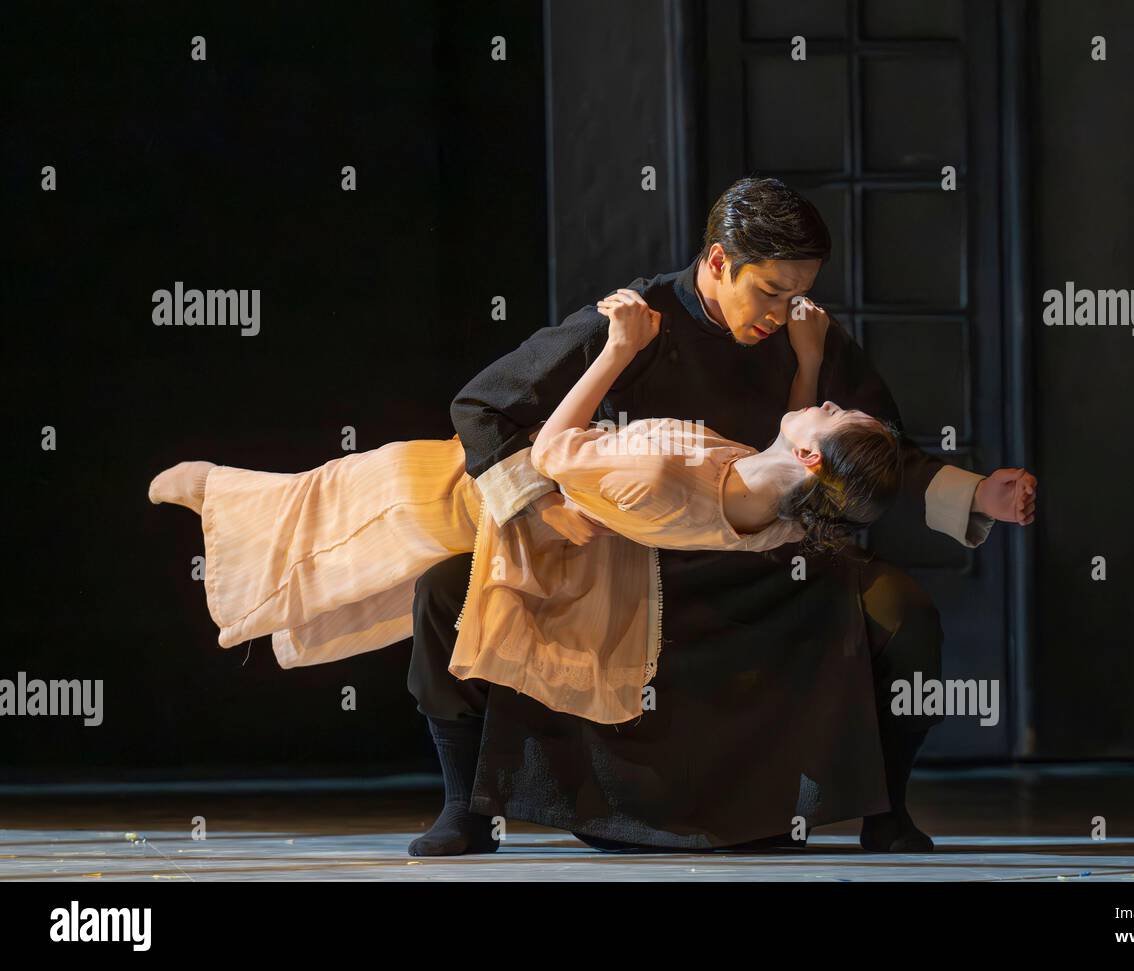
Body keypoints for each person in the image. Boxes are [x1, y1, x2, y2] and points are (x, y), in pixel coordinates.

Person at [406, 176, 1036, 857]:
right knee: (446, 592)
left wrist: (976, 494)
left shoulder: (803, 329)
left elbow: (870, 448)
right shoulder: (632, 321)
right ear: (716, 262)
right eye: (769, 291)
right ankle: (463, 806)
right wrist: (543, 507)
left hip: (769, 560)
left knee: (903, 612)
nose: (783, 311)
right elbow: (483, 408)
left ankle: (887, 810)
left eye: (798, 294)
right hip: (626, 565)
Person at [146, 290, 904, 727]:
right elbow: (803, 461)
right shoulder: (783, 500)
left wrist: (618, 346)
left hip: (480, 500)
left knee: (340, 508)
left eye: (835, 413)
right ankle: (240, 562)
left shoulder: (666, 473)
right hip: (531, 518)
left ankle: (221, 497)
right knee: (352, 561)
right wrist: (807, 361)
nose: (829, 402)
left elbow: (550, 454)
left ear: (812, 456)